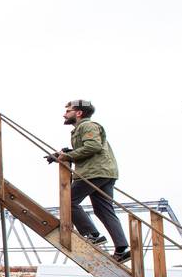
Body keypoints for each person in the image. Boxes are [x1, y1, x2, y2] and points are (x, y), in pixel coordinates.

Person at [46, 99, 130, 262]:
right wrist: (62, 155)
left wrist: (68, 156)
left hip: (94, 172)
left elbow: (93, 146)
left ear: (78, 113)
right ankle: (121, 248)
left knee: (68, 201)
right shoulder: (82, 128)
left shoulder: (87, 126)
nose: (65, 114)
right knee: (103, 209)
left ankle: (92, 234)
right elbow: (89, 147)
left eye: (68, 111)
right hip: (104, 172)